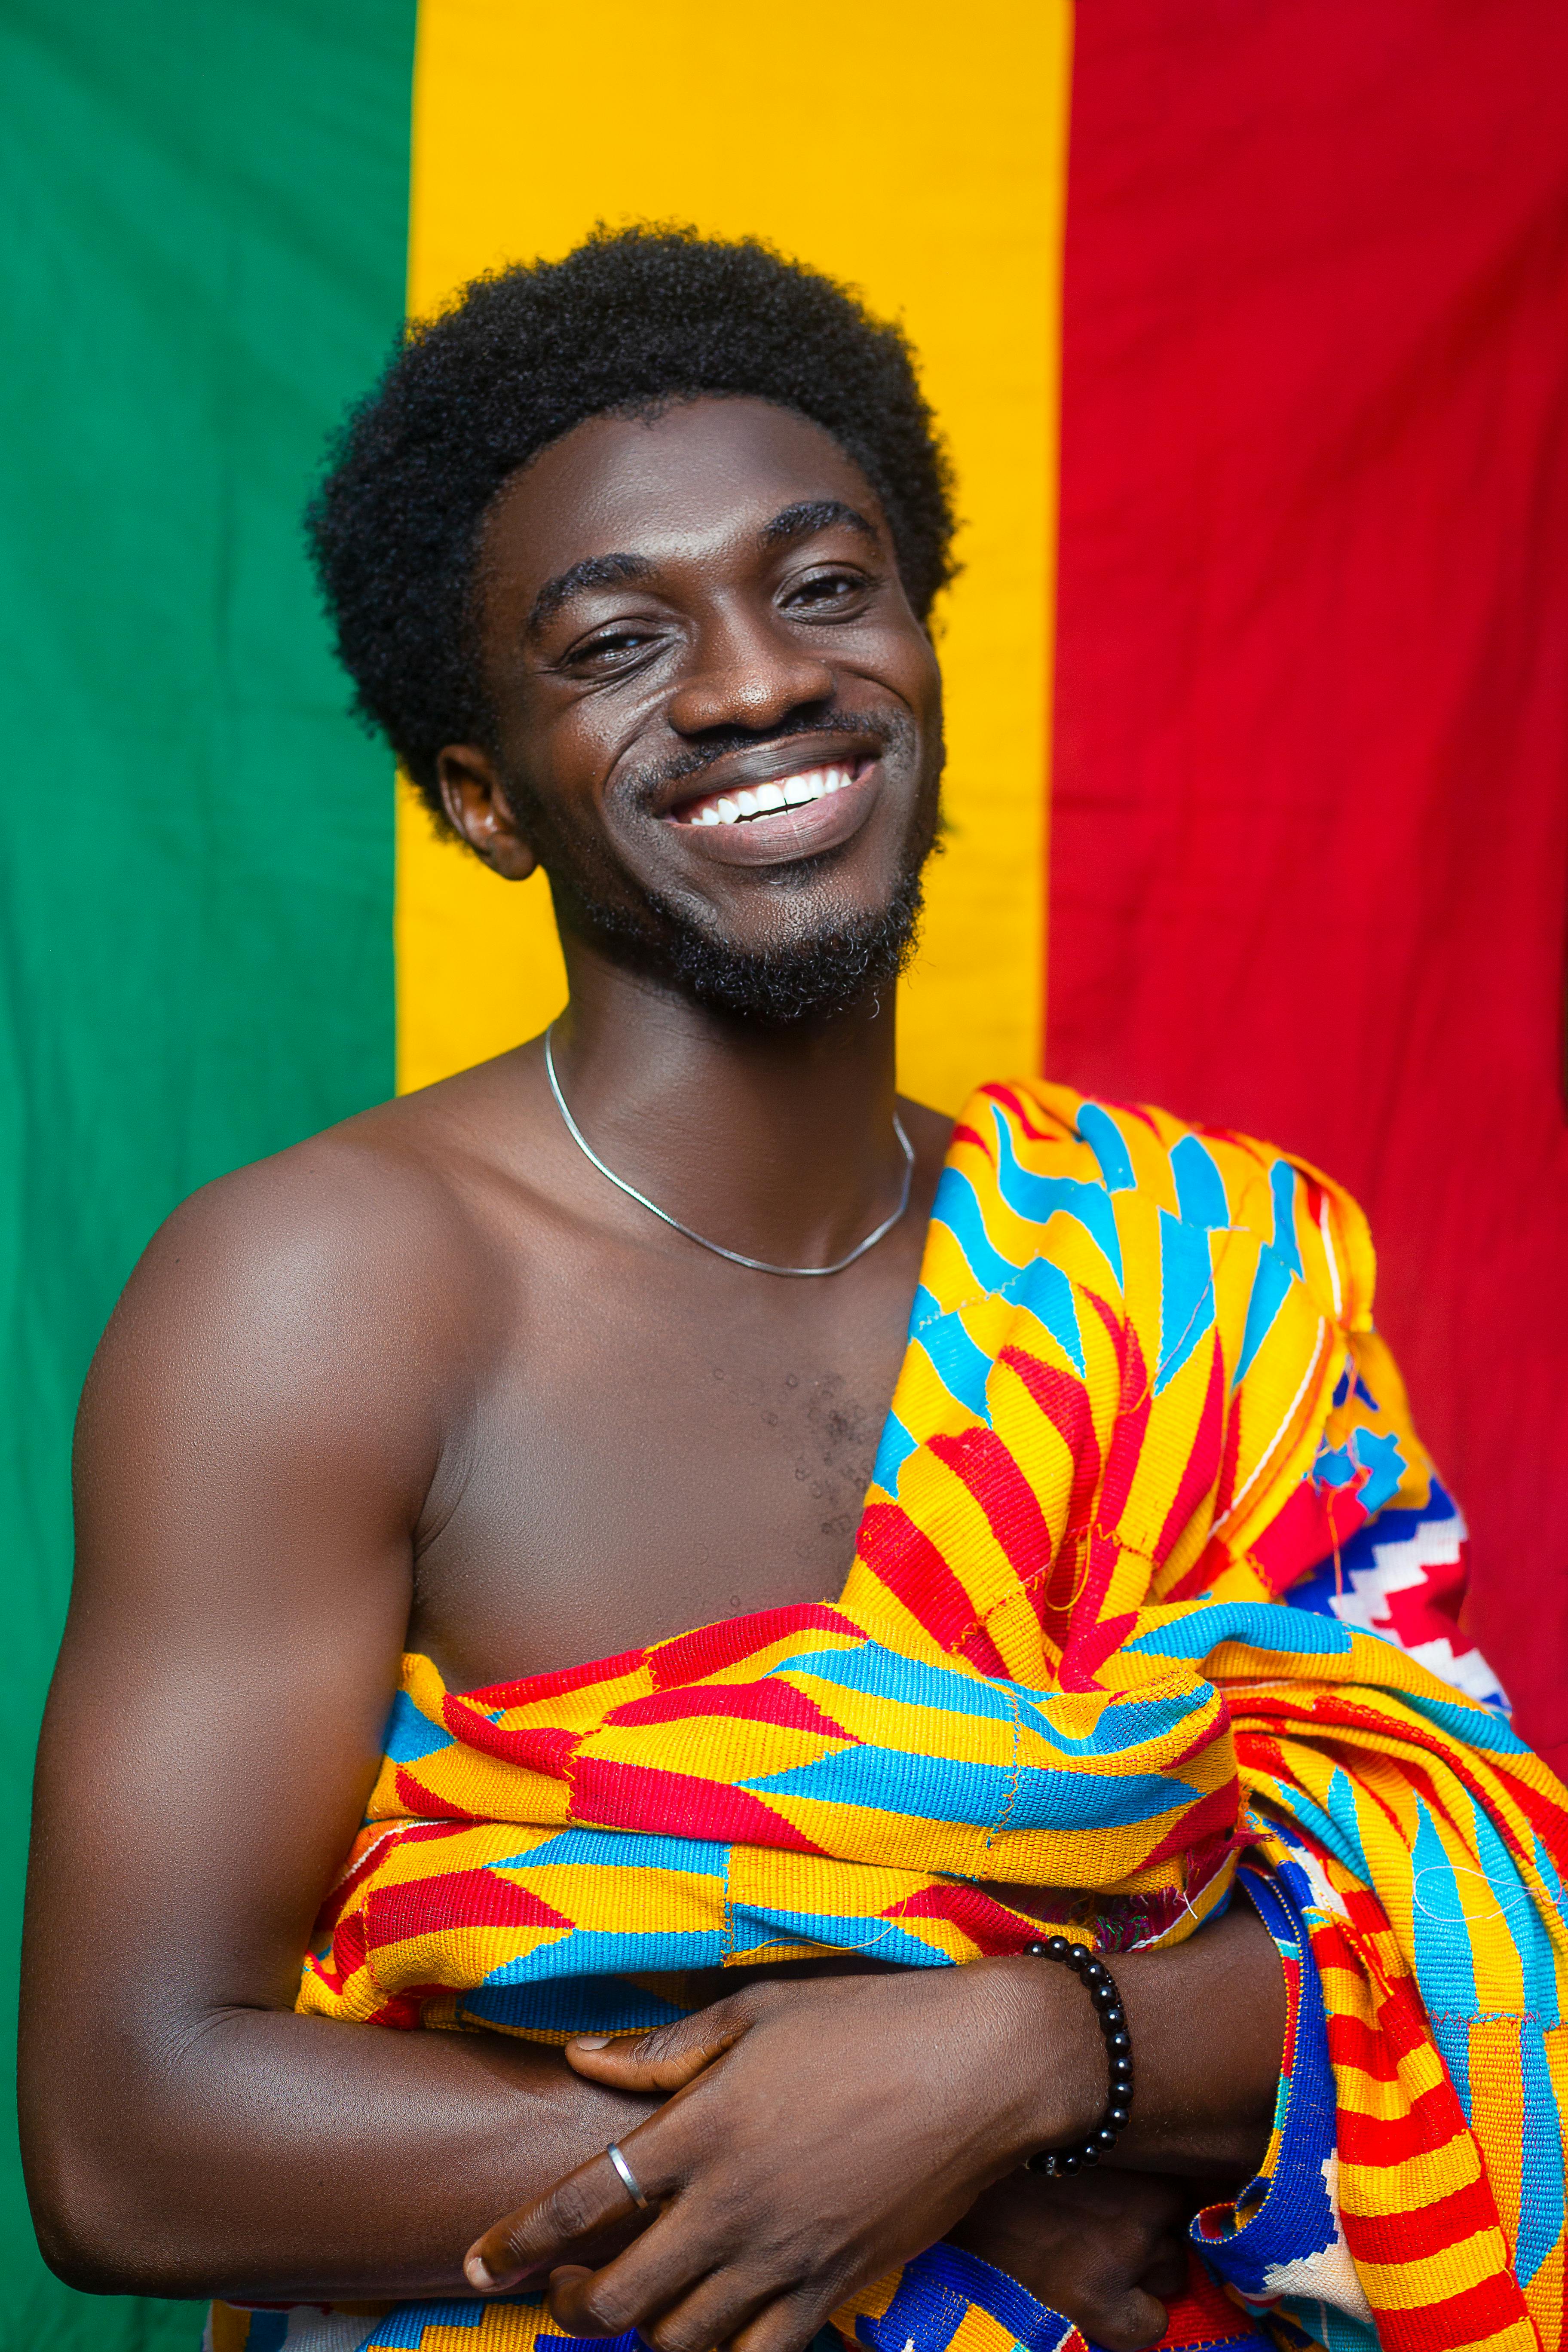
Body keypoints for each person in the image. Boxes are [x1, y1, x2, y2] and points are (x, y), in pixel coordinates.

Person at [20, 228, 1565, 2352]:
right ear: (480, 796)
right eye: (616, 643)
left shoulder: (1208, 1263)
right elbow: (134, 2134)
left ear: (921, 643)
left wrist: (1023, 2064)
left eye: (821, 586)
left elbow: (1458, 1934)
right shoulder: (326, 1290)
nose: (754, 682)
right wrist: (921, 2185)